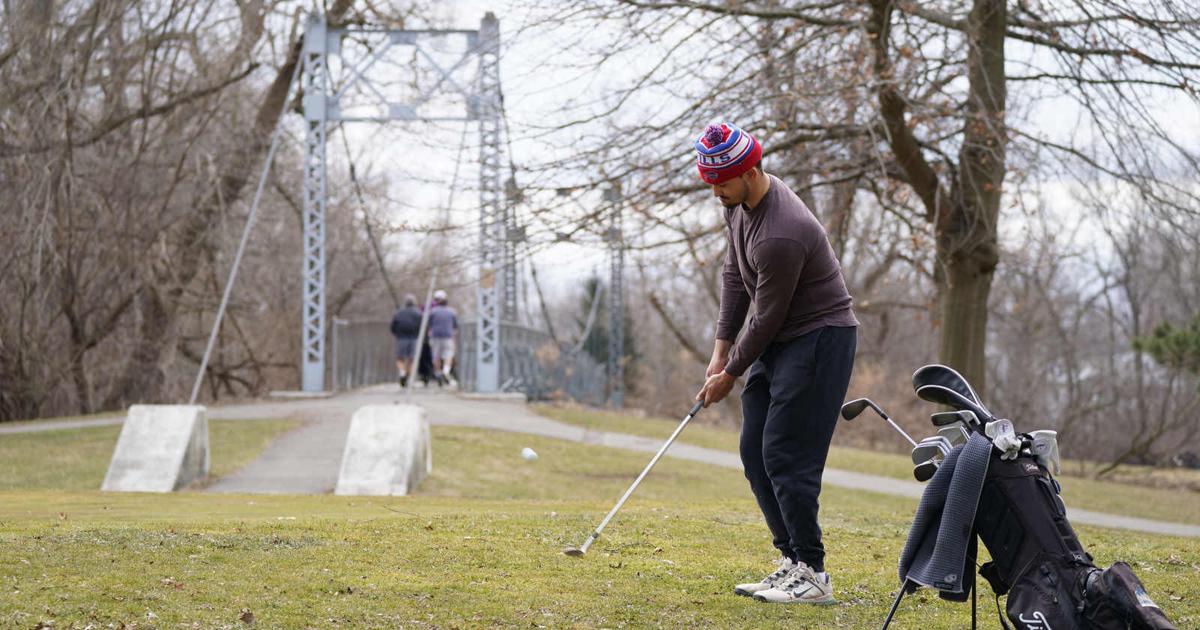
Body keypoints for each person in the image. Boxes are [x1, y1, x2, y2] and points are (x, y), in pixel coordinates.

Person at [692, 122, 859, 605]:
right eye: (710, 182)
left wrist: (730, 374)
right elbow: (733, 276)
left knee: (787, 455)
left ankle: (813, 573)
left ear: (749, 171)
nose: (715, 191)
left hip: (820, 338)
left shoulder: (782, 233)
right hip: (784, 340)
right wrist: (719, 350)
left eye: (721, 181)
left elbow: (766, 317)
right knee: (754, 451)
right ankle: (791, 559)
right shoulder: (738, 206)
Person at [389, 294, 422, 388]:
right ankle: (409, 377)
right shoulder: (418, 313)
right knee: (412, 359)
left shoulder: (398, 313)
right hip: (414, 338)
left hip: (401, 338)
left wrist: (397, 334)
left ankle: (402, 373)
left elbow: (392, 327)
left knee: (400, 358)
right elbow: (422, 327)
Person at [427, 289, 459, 386]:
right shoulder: (452, 312)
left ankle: (438, 373)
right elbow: (455, 326)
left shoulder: (432, 312)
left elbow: (428, 324)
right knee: (449, 354)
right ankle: (446, 370)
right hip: (448, 336)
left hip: (435, 336)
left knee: (435, 355)